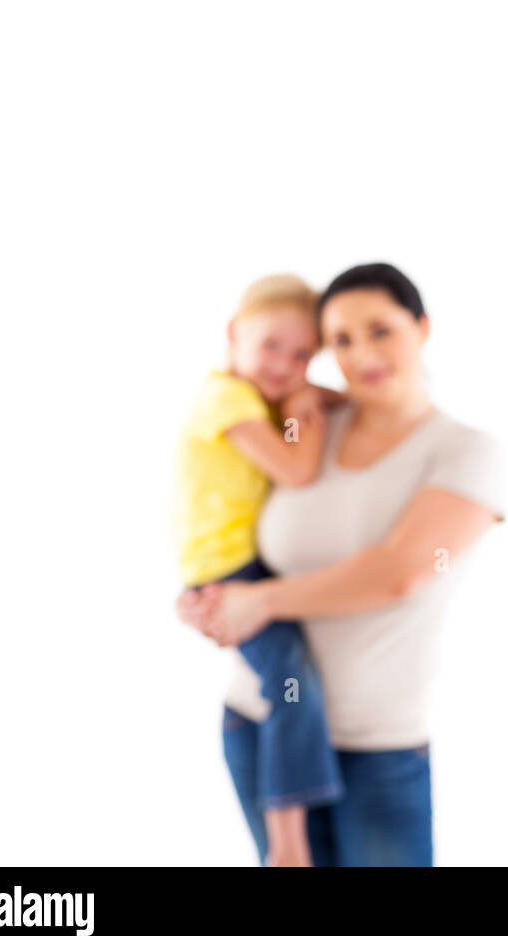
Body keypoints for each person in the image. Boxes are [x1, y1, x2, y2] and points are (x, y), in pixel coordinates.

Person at [183, 263, 505, 866]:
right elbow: (228, 519)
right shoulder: (307, 430)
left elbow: (398, 573)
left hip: (377, 748)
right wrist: (206, 596)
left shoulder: (465, 452)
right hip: (259, 721)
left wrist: (260, 602)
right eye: (342, 340)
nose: (363, 354)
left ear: (422, 327)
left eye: (380, 330)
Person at [173, 273, 344, 868]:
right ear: (233, 334)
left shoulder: (251, 397)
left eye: (302, 355)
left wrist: (311, 395)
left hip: (239, 565)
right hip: (229, 571)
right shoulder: (227, 401)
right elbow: (296, 470)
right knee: (292, 685)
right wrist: (306, 406)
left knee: (292, 680)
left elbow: (335, 401)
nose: (285, 364)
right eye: (271, 345)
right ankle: (288, 844)